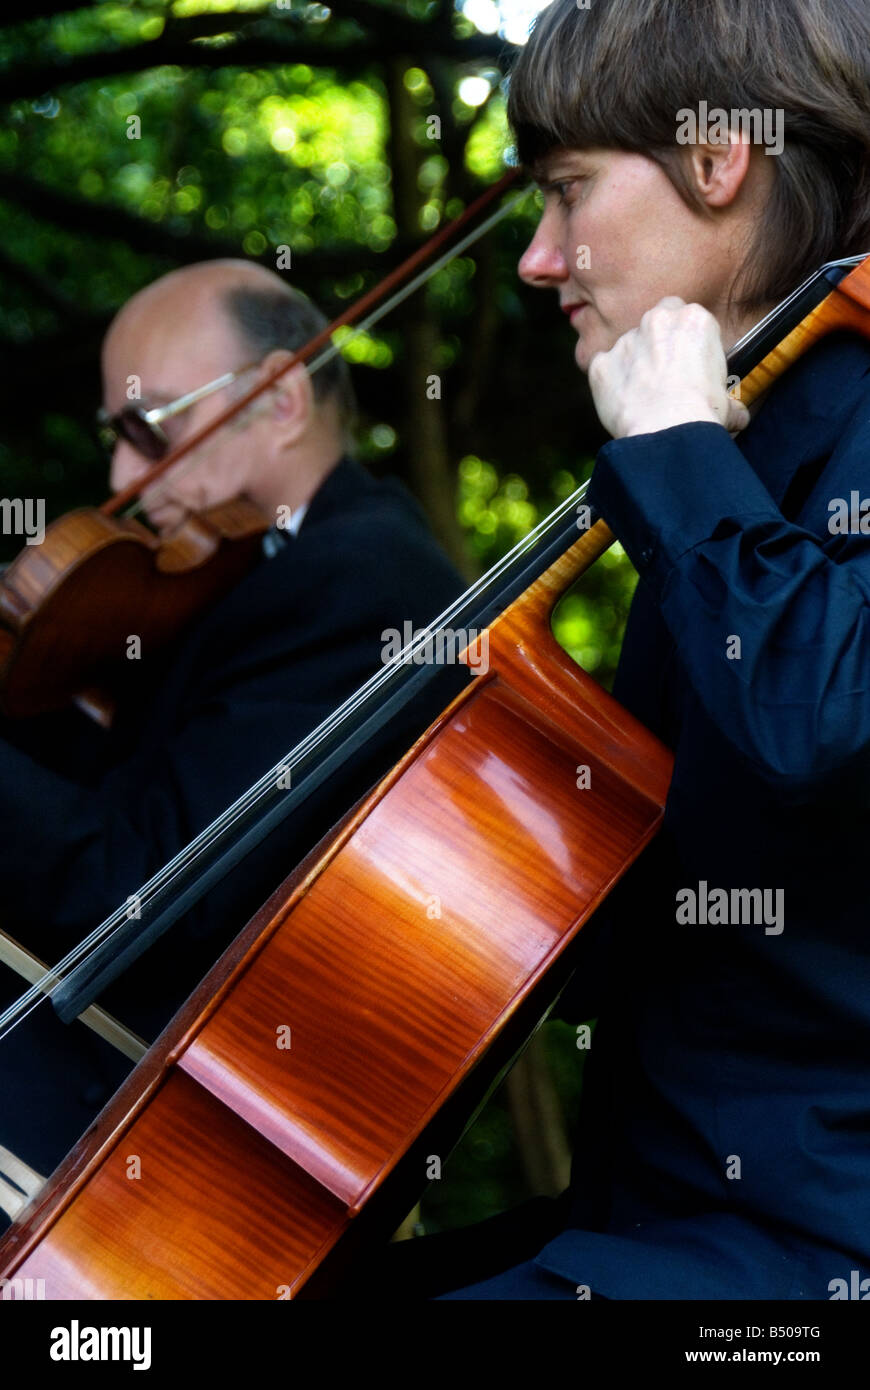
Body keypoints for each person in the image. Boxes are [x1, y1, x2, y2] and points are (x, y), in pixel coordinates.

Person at [349, 0, 870, 1300]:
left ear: (715, 161)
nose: (538, 258)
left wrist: (675, 459)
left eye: (568, 191)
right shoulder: (729, 445)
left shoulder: (728, 451)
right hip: (661, 1214)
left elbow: (820, 716)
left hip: (805, 1250)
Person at [0, 260, 465, 1201]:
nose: (123, 478)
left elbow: (133, 895)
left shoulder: (361, 580)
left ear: (277, 397)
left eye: (149, 429)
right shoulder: (241, 577)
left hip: (133, 1153)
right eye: (114, 437)